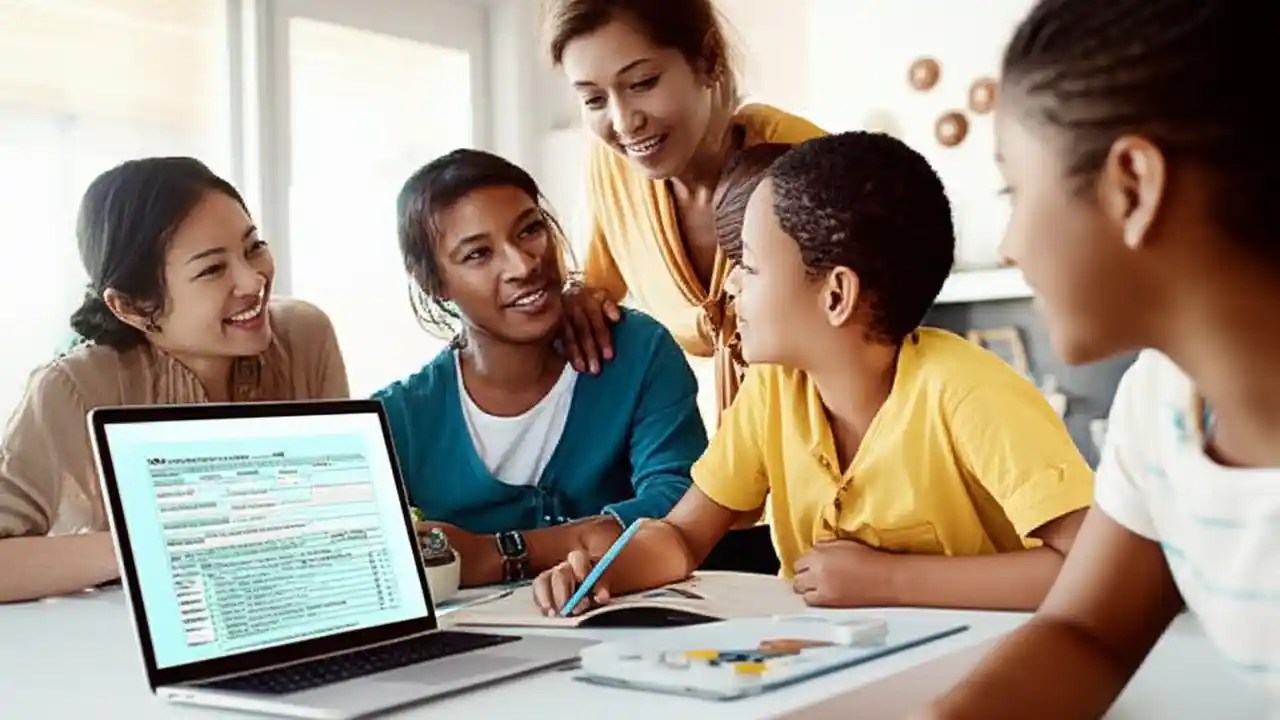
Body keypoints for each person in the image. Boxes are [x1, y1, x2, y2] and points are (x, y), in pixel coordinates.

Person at [531, 132, 1095, 616]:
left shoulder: (968, 392)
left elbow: (1093, 569)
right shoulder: (776, 390)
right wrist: (604, 572)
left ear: (836, 295)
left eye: (748, 265)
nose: (730, 286)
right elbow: (681, 536)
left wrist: (889, 580)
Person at [914, 1, 1280, 716]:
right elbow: (1085, 633)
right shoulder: (1162, 406)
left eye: (1013, 190)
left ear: (1132, 187)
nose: (1012, 243)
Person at [545, 0, 826, 574]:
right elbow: (595, 297)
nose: (624, 123)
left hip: (826, 475)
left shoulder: (801, 165)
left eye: (643, 83)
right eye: (594, 99)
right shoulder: (613, 169)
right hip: (722, 488)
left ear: (708, 62)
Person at [0, 157, 350, 603]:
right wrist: (151, 544)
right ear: (131, 306)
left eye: (253, 246)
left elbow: (340, 510)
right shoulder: (73, 388)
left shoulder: (303, 334)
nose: (253, 278)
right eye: (211, 269)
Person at [374, 149, 706, 589]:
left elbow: (683, 506)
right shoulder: (396, 421)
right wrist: (589, 536)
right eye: (478, 254)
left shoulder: (637, 352)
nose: (523, 265)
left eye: (530, 229)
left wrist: (499, 553)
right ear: (435, 284)